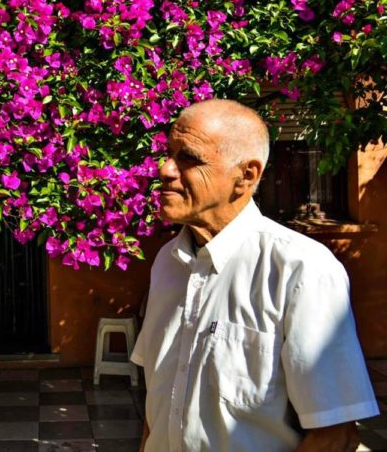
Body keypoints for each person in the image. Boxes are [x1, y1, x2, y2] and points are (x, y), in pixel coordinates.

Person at [131, 99, 379, 452]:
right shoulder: (167, 263)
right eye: (168, 153)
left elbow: (334, 435)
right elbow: (159, 401)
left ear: (245, 175)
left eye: (188, 158)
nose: (164, 169)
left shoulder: (301, 270)